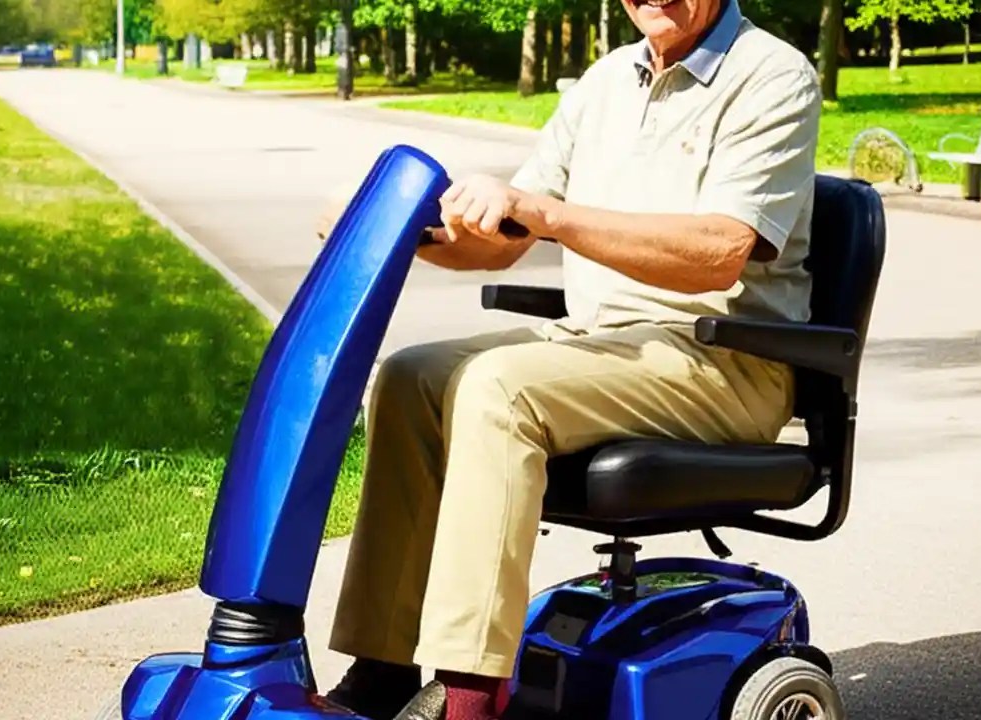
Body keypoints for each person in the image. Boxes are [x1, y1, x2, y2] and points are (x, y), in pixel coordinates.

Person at [318, 0, 822, 718]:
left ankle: (468, 699)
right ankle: (382, 672)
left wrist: (548, 215)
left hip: (727, 360)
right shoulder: (607, 80)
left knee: (498, 389)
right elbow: (508, 234)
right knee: (409, 377)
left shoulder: (772, 74)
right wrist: (390, 229)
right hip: (603, 344)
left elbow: (720, 252)